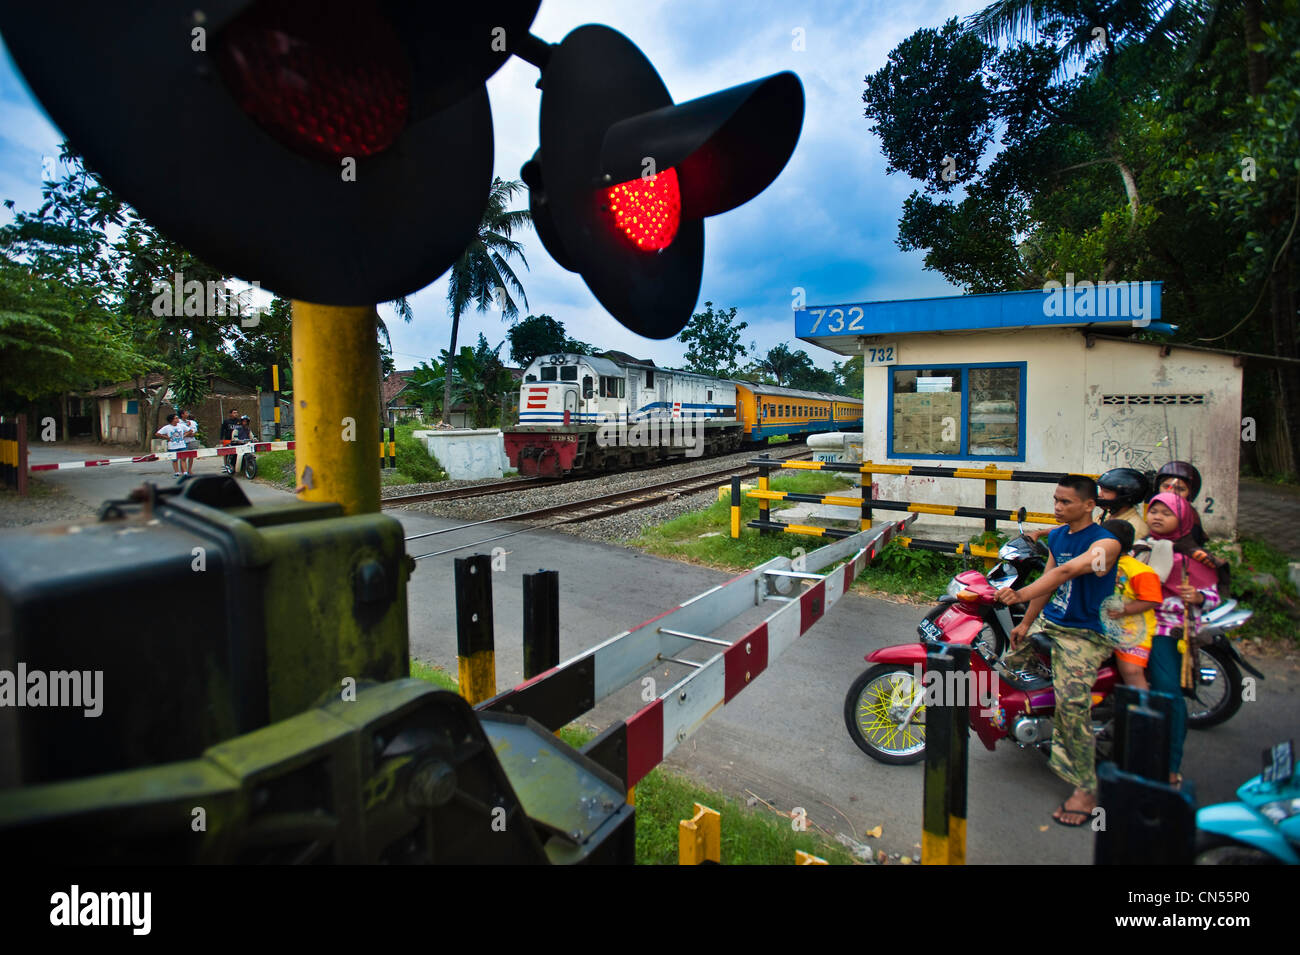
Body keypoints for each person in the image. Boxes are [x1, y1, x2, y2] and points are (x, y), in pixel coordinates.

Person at [994, 474, 1121, 827]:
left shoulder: (1105, 544)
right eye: (1055, 500)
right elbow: (1048, 584)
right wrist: (1024, 623)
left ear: (1089, 505)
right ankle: (1031, 727)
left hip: (1085, 634)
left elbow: (1066, 571)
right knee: (1009, 667)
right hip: (1051, 624)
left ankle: (1085, 785)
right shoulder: (1060, 536)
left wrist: (1018, 595)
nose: (1057, 507)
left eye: (1065, 502)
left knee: (1072, 702)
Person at [1143, 491, 1222, 787]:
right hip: (1132, 625)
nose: (1158, 517)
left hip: (1168, 632)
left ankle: (1170, 765)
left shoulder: (1193, 556)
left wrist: (1198, 595)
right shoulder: (1142, 547)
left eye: (1166, 513)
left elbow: (1213, 597)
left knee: (1167, 695)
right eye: (1154, 511)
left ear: (1184, 519)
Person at [1027, 467, 1149, 542]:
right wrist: (1039, 533)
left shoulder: (1134, 527)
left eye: (1106, 491)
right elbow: (1079, 527)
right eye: (1100, 490)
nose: (1100, 495)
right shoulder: (1107, 516)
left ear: (1125, 495)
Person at [1152, 461, 1208, 547]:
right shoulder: (1155, 508)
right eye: (1166, 487)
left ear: (1190, 494)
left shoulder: (1191, 519)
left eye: (1180, 489)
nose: (1171, 492)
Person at [155, 413, 189, 480]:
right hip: (172, 446)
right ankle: (177, 472)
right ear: (172, 420)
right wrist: (166, 437)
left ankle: (185, 472)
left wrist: (184, 435)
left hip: (182, 444)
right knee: (174, 459)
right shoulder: (167, 427)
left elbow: (190, 430)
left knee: (183, 458)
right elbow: (157, 434)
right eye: (176, 418)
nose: (178, 419)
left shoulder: (181, 426)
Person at [179, 410, 200, 475]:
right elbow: (180, 432)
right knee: (183, 457)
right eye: (186, 413)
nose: (187, 414)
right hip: (183, 441)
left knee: (191, 456)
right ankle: (183, 471)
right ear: (182, 414)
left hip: (191, 440)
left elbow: (195, 431)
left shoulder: (192, 422)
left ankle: (189, 470)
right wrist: (188, 433)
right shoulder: (179, 423)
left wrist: (192, 433)